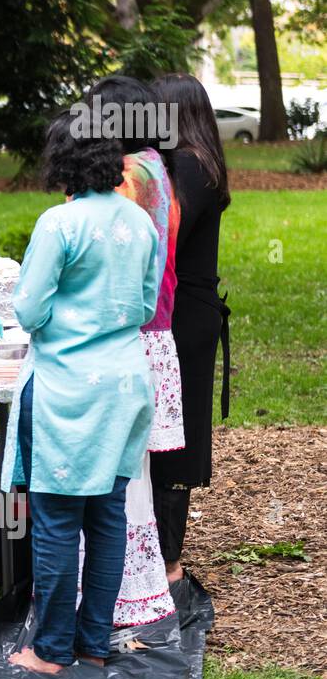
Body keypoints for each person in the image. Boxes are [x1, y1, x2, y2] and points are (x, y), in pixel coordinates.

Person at [3, 112, 159, 674]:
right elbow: (144, 306)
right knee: (108, 517)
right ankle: (94, 645)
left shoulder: (58, 224)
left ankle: (49, 653)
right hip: (126, 385)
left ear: (61, 161)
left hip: (68, 392)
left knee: (57, 523)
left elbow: (27, 309)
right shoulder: (142, 223)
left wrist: (63, 319)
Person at [89, 75, 183, 633]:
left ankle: (120, 589)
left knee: (118, 471)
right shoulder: (153, 164)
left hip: (132, 332)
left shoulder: (131, 173)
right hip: (151, 327)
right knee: (131, 469)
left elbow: (111, 258)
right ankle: (131, 587)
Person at [150, 73, 231, 583]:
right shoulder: (187, 163)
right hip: (180, 314)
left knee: (174, 444)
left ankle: (170, 564)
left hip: (186, 319)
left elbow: (166, 230)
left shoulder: (192, 167)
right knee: (164, 435)